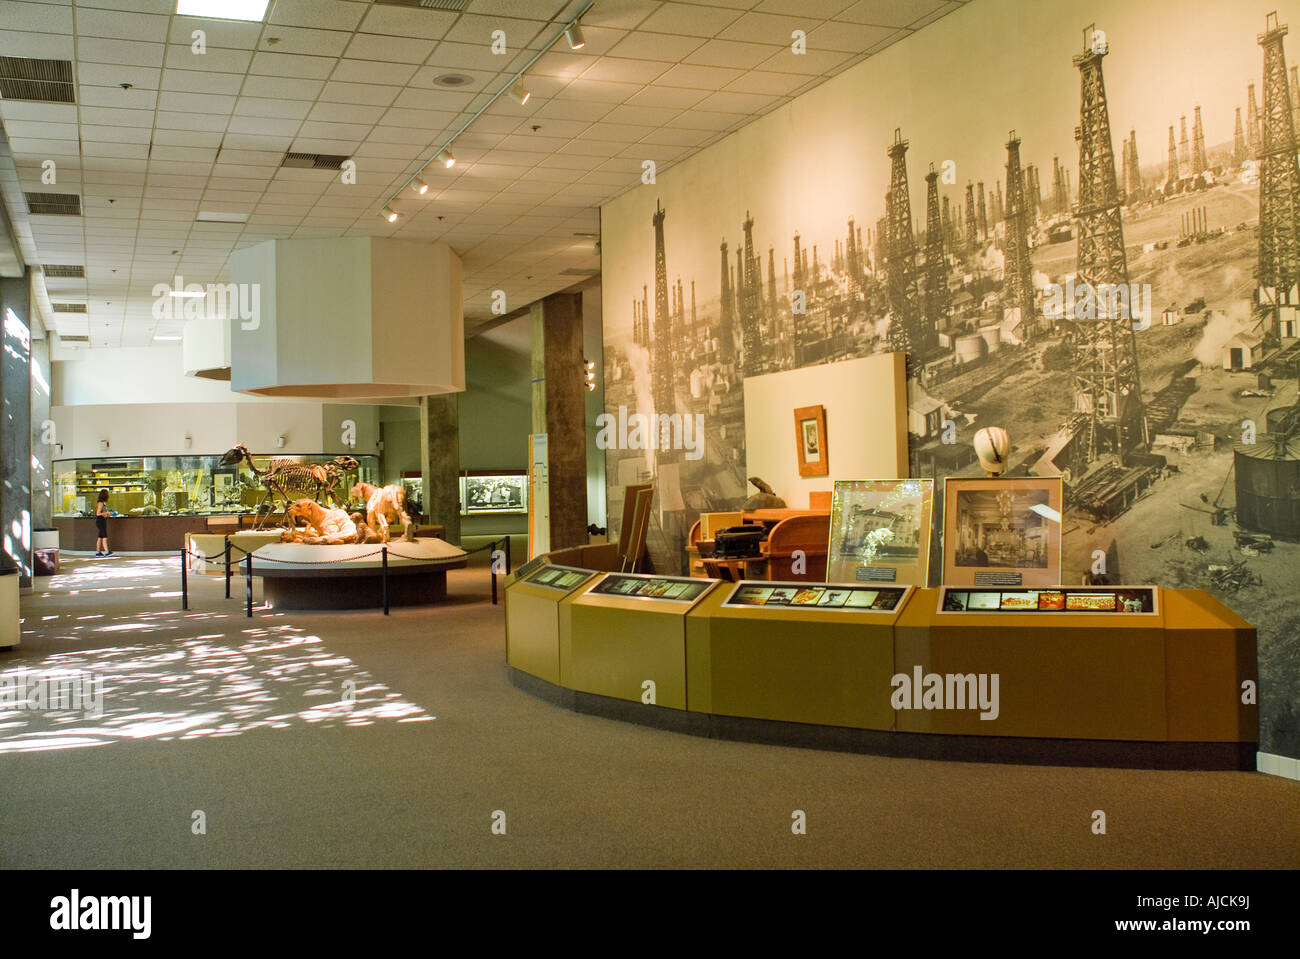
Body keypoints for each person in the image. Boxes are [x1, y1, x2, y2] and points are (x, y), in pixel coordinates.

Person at [95, 489, 114, 557]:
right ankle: (107, 551)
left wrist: (108, 514)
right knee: (104, 536)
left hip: (102, 521)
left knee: (100, 537)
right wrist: (107, 513)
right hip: (100, 521)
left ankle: (98, 552)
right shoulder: (100, 503)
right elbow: (98, 513)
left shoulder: (103, 503)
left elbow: (102, 513)